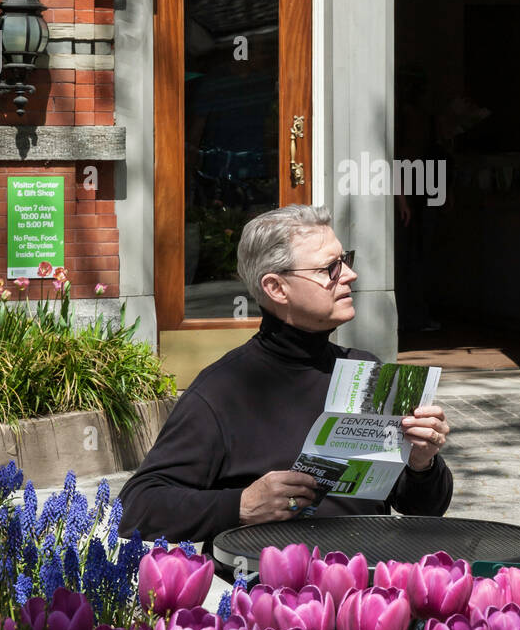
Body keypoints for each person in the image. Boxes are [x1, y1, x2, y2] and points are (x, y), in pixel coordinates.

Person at [118, 204, 452, 548]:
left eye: (345, 260)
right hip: (267, 593)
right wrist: (241, 505)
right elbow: (136, 506)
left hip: (365, 588)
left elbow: (424, 508)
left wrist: (421, 463)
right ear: (277, 288)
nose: (350, 275)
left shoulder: (366, 373)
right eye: (330, 268)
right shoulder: (223, 390)